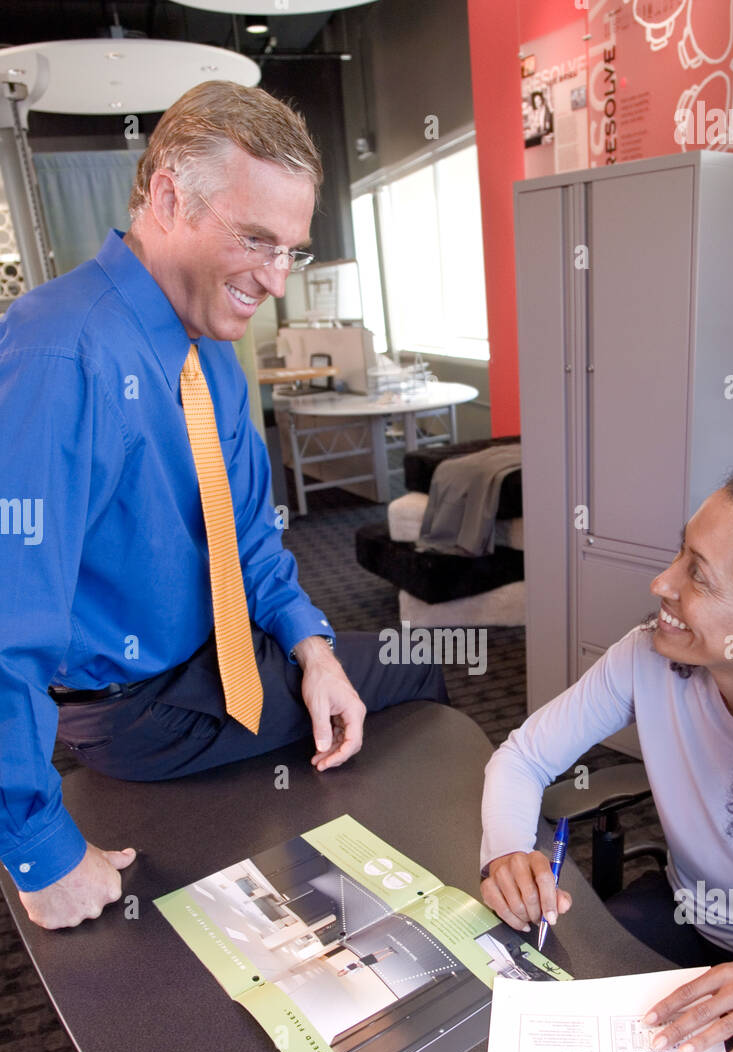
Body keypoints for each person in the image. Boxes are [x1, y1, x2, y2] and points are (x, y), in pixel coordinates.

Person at [0, 81, 445, 933]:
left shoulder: (211, 358)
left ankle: (384, 899)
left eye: (291, 250)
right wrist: (38, 850)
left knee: (376, 666)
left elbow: (251, 541)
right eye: (254, 240)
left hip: (218, 653)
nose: (276, 279)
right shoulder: (62, 349)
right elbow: (6, 623)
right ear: (168, 196)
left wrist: (311, 648)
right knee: (417, 672)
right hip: (138, 705)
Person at [480, 451, 733, 1052]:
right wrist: (505, 850)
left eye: (700, 576)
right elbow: (522, 758)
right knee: (538, 1030)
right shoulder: (646, 660)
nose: (662, 582)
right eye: (680, 551)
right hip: (686, 922)